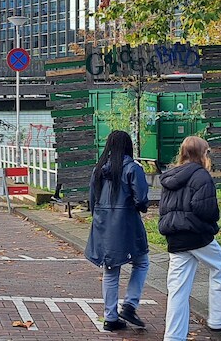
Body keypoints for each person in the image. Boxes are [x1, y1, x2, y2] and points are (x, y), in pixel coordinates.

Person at [158, 135, 221, 341]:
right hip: (197, 235)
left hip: (175, 237)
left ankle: (173, 336)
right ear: (202, 154)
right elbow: (205, 209)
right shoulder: (201, 176)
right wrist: (213, 223)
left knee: (178, 288)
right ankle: (220, 319)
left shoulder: (170, 176)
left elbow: (164, 208)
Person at [84, 130, 150, 331]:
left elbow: (92, 201)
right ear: (128, 146)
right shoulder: (132, 168)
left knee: (110, 271)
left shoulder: (98, 170)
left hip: (103, 226)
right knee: (141, 261)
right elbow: (141, 199)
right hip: (126, 225)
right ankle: (130, 304)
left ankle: (110, 318)